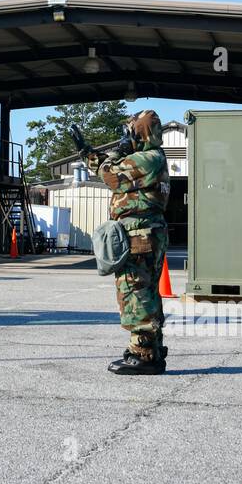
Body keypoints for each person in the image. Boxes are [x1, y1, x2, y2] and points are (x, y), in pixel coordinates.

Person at [86, 109, 171, 375]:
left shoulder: (148, 159)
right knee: (145, 290)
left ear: (140, 132)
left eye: (130, 131)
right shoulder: (148, 157)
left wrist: (118, 149)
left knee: (134, 291)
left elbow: (111, 175)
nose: (127, 136)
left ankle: (143, 354)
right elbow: (107, 167)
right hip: (144, 230)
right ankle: (151, 348)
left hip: (140, 233)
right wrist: (86, 153)